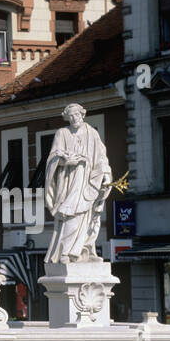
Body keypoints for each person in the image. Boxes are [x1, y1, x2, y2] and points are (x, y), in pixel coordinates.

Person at [44, 103, 113, 265]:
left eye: (76, 115)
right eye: (70, 116)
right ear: (67, 118)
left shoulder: (92, 134)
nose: (74, 118)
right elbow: (52, 158)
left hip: (87, 181)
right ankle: (66, 253)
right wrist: (65, 161)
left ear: (82, 115)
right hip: (68, 182)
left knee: (86, 216)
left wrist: (106, 175)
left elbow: (102, 157)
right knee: (70, 214)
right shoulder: (62, 133)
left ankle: (84, 249)